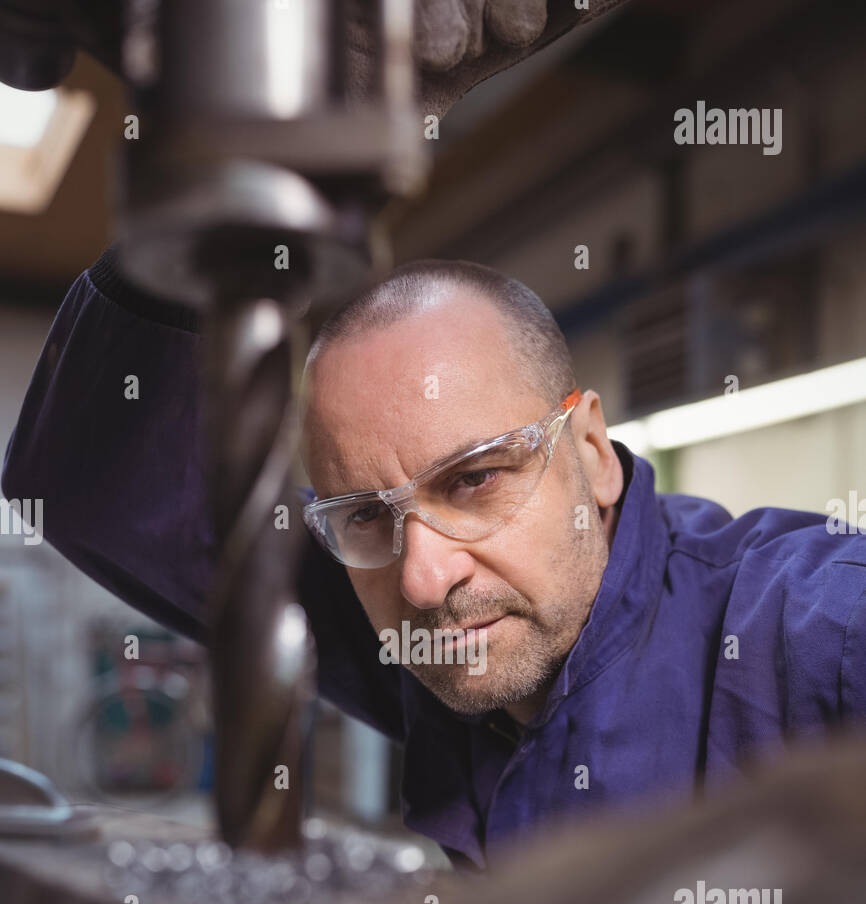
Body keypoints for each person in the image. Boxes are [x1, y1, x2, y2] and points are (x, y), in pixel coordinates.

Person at [4, 252, 866, 869]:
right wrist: (205, 228)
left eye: (476, 478)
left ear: (595, 452)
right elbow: (95, 489)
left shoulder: (803, 633)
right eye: (365, 516)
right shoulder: (429, 632)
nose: (422, 579)